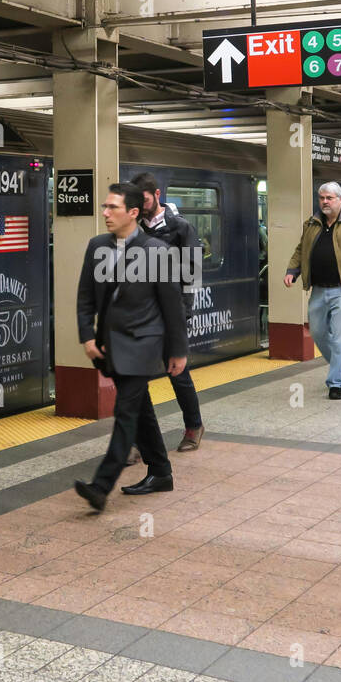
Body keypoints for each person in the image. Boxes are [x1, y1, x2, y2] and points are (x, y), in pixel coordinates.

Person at [73, 184, 188, 510]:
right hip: (110, 345)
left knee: (125, 414)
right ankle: (161, 472)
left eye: (113, 207)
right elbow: (85, 296)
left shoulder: (157, 252)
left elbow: (173, 307)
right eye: (105, 206)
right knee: (141, 410)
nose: (105, 213)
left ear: (133, 213)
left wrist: (178, 351)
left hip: (143, 344)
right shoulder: (97, 247)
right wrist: (87, 336)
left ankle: (101, 486)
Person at [129, 172, 204, 451]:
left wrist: (184, 313)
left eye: (144, 199)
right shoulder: (133, 229)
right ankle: (137, 440)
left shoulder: (181, 228)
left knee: (177, 373)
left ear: (157, 195)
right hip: (140, 314)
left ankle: (194, 426)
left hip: (170, 313)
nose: (140, 204)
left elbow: (192, 274)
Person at [283, 182, 341, 399]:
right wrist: (293, 270)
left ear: (340, 200)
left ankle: (335, 383)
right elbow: (302, 248)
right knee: (316, 331)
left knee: (340, 337)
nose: (324, 201)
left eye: (329, 198)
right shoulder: (312, 223)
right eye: (321, 198)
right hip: (318, 288)